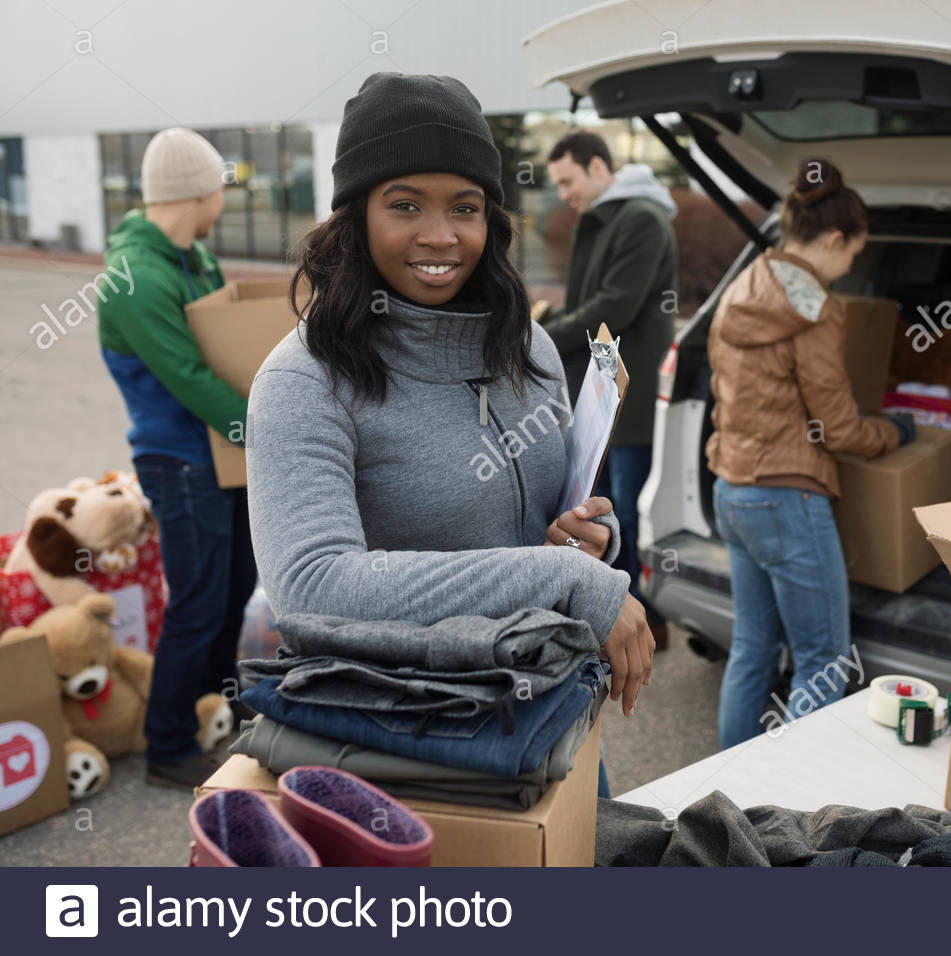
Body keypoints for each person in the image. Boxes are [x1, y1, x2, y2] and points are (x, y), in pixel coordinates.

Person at [244, 74, 656, 799]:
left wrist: (582, 543)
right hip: (412, 751)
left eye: (464, 207)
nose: (441, 236)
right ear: (356, 215)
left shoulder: (524, 343)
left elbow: (544, 532)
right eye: (405, 205)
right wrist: (562, 578)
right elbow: (311, 590)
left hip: (549, 722)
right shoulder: (303, 380)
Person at [705, 159, 916, 749]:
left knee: (751, 649)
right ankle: (787, 814)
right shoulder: (815, 310)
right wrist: (896, 432)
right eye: (853, 253)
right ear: (832, 239)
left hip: (732, 490)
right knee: (823, 659)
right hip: (787, 497)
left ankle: (727, 795)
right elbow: (841, 428)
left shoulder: (743, 287)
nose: (852, 266)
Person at [97, 127, 258, 788]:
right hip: (180, 461)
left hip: (224, 452)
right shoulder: (134, 278)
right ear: (200, 190)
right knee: (196, 601)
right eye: (220, 184)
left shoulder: (197, 257)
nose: (223, 196)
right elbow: (189, 376)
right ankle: (168, 743)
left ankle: (214, 705)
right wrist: (270, 429)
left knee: (237, 585)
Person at [538, 130, 677, 648]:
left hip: (627, 397)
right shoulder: (601, 218)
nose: (563, 194)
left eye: (568, 180)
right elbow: (589, 302)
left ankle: (642, 619)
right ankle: (614, 609)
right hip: (601, 394)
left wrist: (540, 336)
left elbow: (611, 308)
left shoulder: (641, 219)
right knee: (601, 503)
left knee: (621, 510)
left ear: (598, 166)